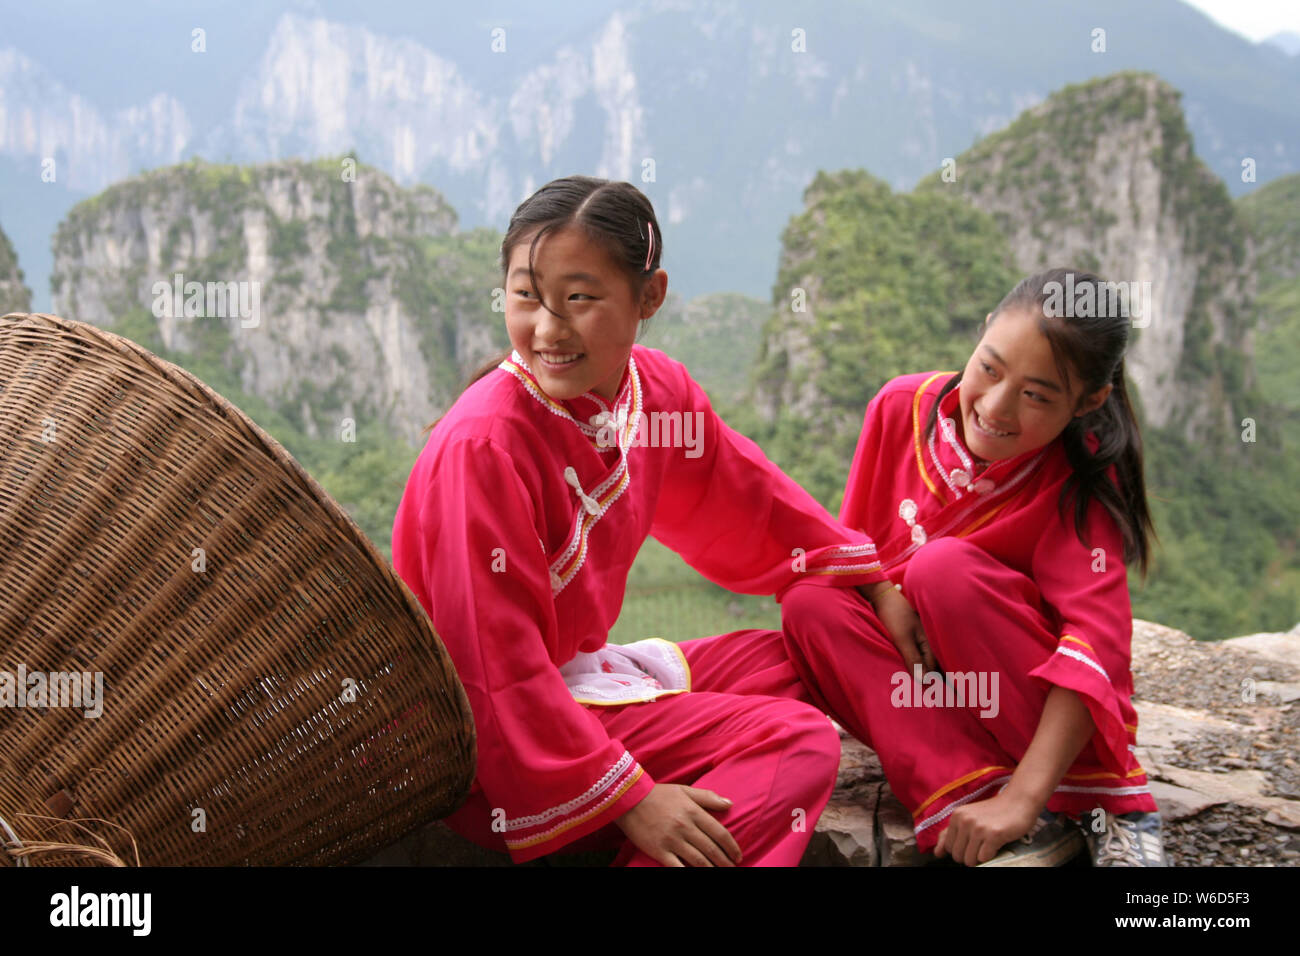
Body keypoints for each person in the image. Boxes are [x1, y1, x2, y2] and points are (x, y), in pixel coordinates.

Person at [391, 175, 893, 867]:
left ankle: (969, 790)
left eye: (580, 299)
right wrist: (629, 798)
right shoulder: (483, 446)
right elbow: (487, 668)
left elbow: (750, 501)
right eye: (526, 296)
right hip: (496, 741)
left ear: (648, 297)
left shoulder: (652, 395)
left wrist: (871, 579)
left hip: (577, 677)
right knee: (797, 739)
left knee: (807, 658)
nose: (547, 328)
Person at [778, 267, 1166, 867]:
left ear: (1090, 400)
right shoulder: (898, 407)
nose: (996, 406)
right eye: (989, 367)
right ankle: (974, 792)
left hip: (1030, 709)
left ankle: (1090, 804)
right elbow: (851, 555)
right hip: (932, 693)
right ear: (983, 333)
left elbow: (1098, 646)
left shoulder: (1080, 472)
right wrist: (883, 595)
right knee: (811, 602)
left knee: (942, 570)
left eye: (1037, 395)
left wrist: (1025, 794)